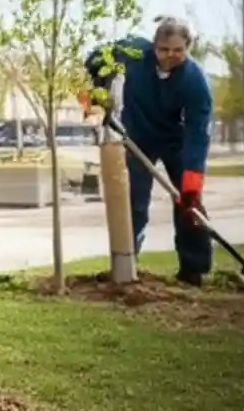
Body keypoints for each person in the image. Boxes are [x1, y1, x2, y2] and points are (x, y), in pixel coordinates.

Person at [82, 15, 214, 285]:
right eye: (164, 50)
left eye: (178, 50)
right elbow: (96, 57)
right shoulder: (132, 52)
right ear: (154, 46)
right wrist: (99, 87)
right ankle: (127, 266)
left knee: (189, 203)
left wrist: (191, 182)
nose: (170, 56)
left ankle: (193, 269)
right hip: (136, 135)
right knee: (134, 202)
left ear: (187, 48)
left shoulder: (195, 81)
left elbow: (198, 134)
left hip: (175, 140)